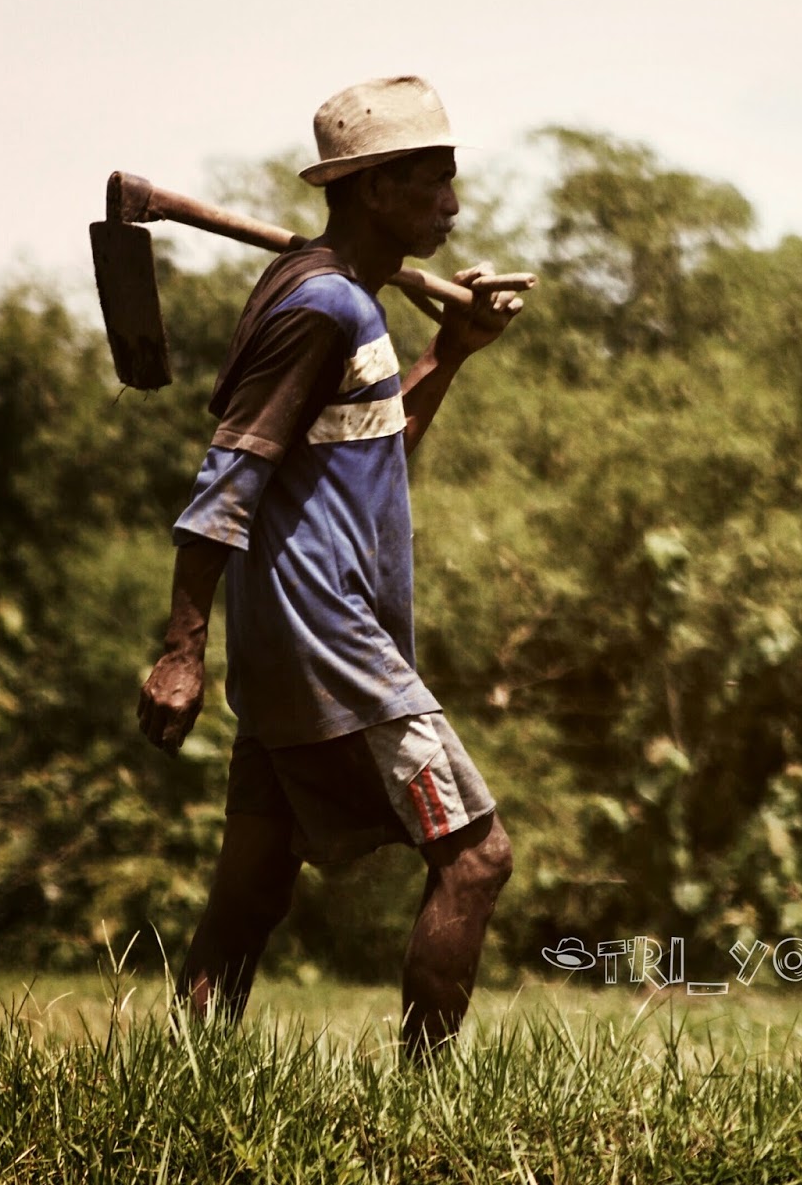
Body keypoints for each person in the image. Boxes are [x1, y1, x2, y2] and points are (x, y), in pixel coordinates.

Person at [136, 75, 521, 1057]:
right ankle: (423, 1108)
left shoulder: (350, 302)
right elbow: (228, 476)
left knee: (254, 882)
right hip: (328, 636)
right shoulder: (317, 307)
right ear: (374, 190)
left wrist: (455, 350)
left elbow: (380, 445)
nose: (453, 204)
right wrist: (182, 649)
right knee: (475, 857)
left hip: (295, 641)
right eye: (432, 182)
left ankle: (182, 1083)